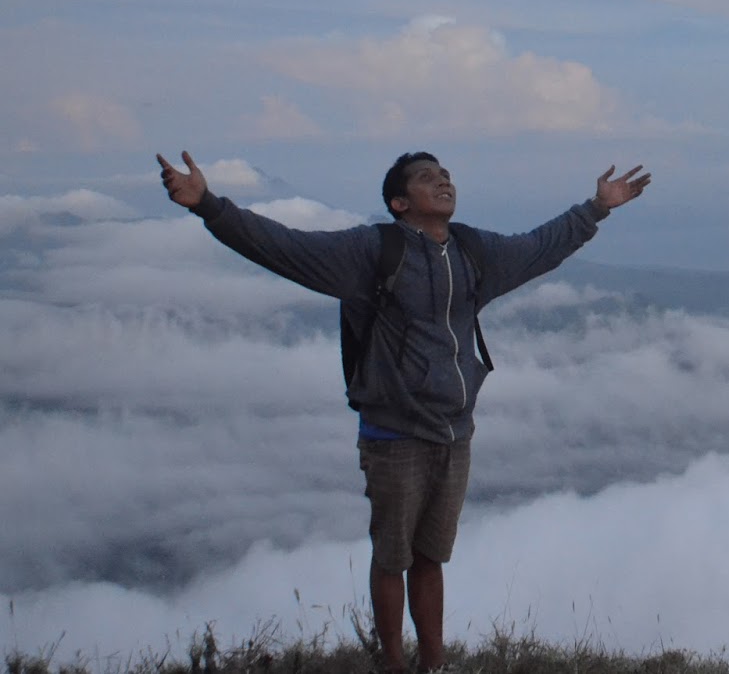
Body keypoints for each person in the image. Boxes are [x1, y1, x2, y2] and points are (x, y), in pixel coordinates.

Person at [156, 149, 649, 673]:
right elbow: (283, 247)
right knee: (393, 558)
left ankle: (432, 664)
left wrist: (597, 207)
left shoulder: (472, 252)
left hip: (454, 433)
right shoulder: (372, 251)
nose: (442, 180)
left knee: (431, 556)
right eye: (425, 177)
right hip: (394, 434)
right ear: (398, 202)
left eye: (446, 175)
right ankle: (393, 665)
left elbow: (539, 247)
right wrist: (208, 205)